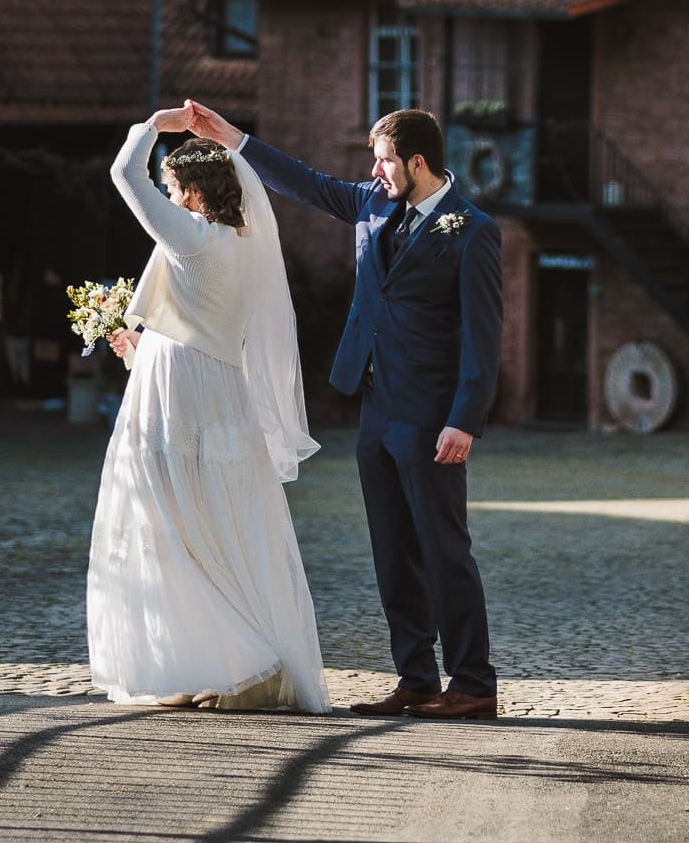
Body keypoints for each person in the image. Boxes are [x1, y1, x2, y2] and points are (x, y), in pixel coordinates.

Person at [188, 100, 502, 721]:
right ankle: (414, 678)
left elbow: (483, 337)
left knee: (444, 549)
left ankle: (472, 683)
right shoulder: (373, 204)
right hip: (376, 407)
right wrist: (232, 138)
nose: (375, 171)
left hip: (433, 415)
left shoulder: (471, 231)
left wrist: (463, 418)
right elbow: (306, 183)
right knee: (391, 551)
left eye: (385, 162)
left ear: (417, 162)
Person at [87, 107, 329, 712]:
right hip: (218, 385)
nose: (168, 197)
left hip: (177, 389)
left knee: (166, 519)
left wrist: (155, 123)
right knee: (213, 520)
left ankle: (238, 662)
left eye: (173, 189)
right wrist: (138, 347)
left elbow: (124, 174)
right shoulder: (244, 249)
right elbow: (201, 326)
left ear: (193, 192)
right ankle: (211, 666)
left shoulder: (192, 238)